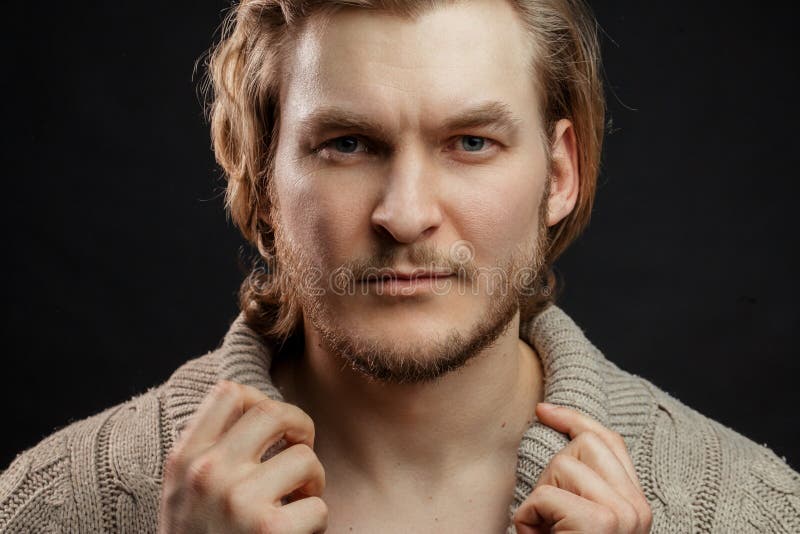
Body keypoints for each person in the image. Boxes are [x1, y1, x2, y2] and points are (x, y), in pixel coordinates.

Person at [1, 0, 798, 532]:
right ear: (263, 177)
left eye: (471, 143)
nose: (406, 214)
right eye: (348, 144)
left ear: (560, 174)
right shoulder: (50, 506)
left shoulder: (753, 512)